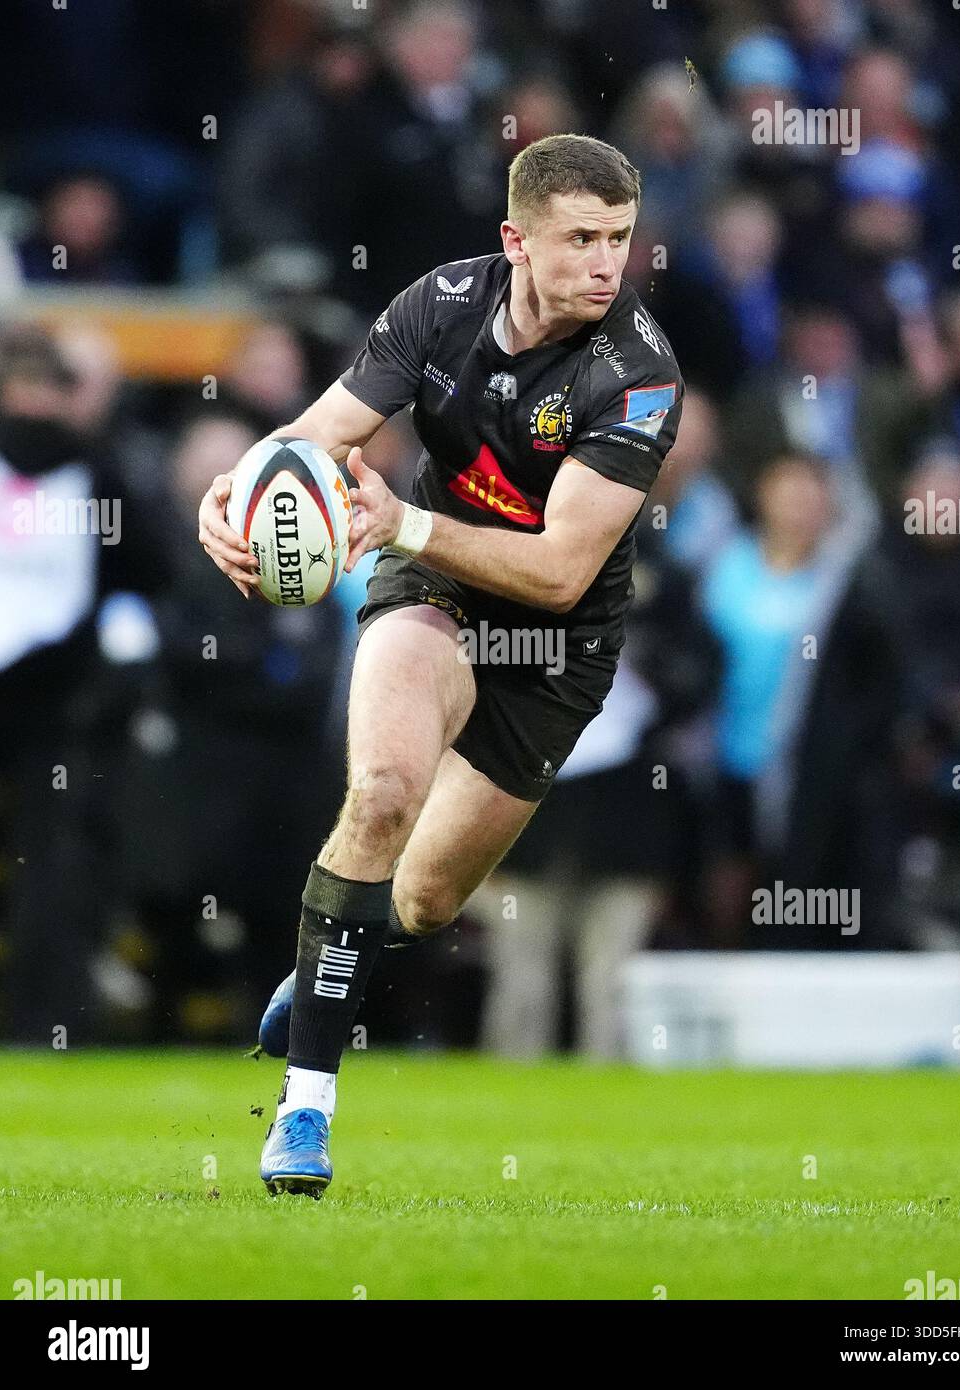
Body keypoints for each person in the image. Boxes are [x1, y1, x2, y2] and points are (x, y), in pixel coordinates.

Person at [197, 134, 684, 1196]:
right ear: (517, 239)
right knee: (378, 797)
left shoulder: (637, 374)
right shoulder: (438, 306)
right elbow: (319, 435)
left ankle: (331, 952)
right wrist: (230, 494)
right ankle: (306, 1112)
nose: (606, 262)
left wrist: (402, 522)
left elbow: (559, 573)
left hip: (556, 650)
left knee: (419, 900)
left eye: (619, 239)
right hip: (436, 595)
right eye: (580, 239)